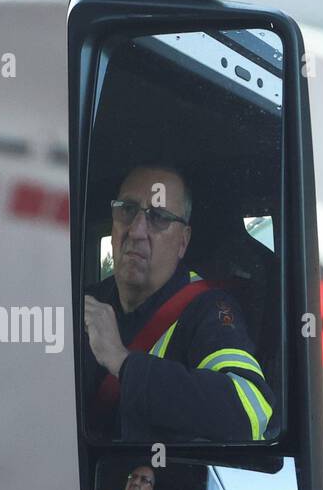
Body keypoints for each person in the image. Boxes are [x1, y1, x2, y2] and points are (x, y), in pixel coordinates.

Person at [83, 164, 275, 442]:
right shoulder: (82, 301)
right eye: (126, 210)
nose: (136, 231)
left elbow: (250, 412)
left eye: (158, 217)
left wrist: (122, 363)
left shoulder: (207, 308)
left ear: (183, 242)